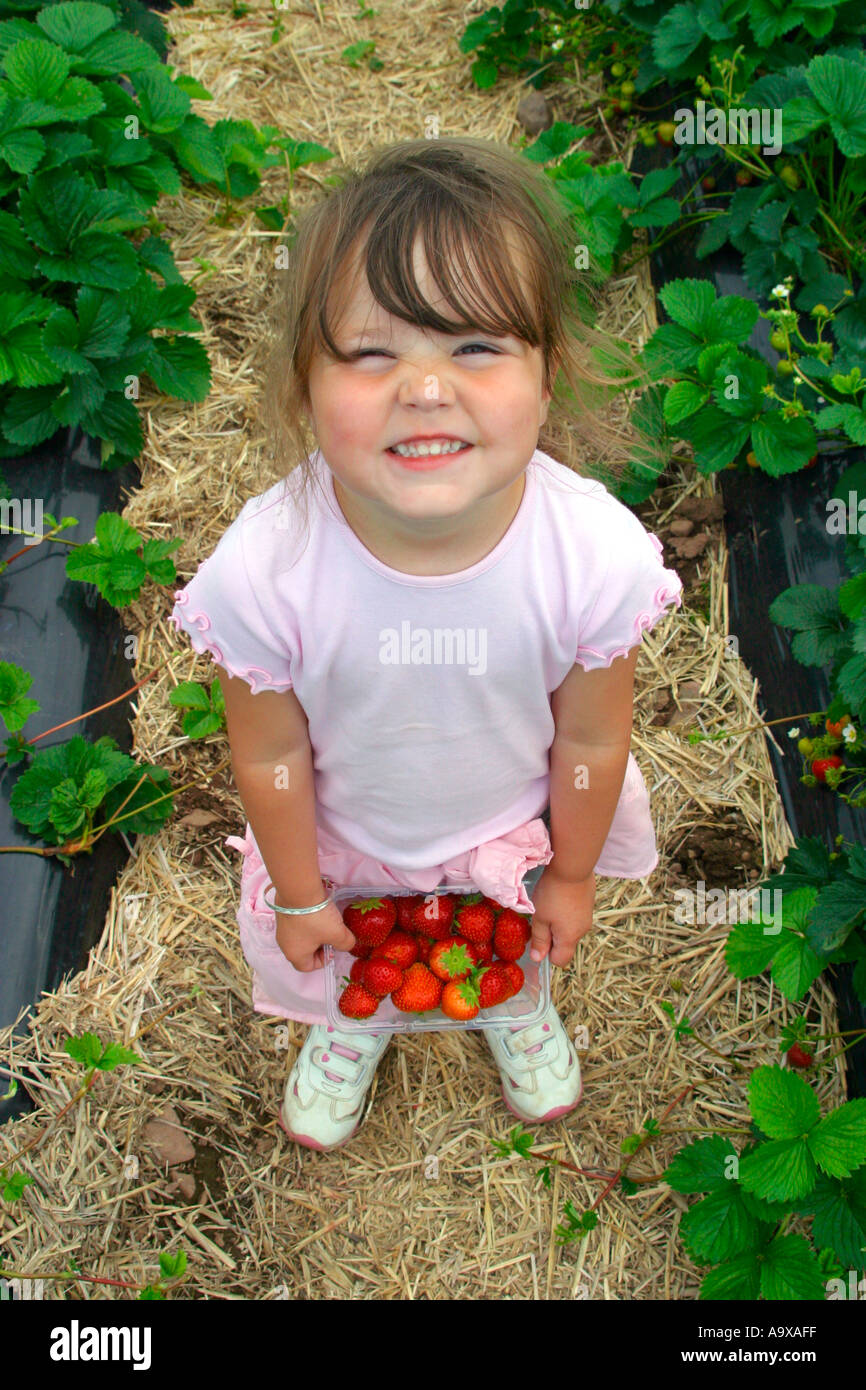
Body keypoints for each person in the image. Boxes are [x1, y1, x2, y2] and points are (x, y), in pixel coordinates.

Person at [169, 135, 683, 1152]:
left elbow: (586, 744)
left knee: (507, 934)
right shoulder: (268, 568)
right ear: (303, 384)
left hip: (508, 835)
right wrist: (304, 892)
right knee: (352, 952)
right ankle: (351, 1019)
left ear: (549, 374)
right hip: (350, 839)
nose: (424, 386)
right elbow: (268, 751)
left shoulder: (588, 555)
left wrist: (569, 876)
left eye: (476, 346)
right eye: (369, 352)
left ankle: (511, 999)